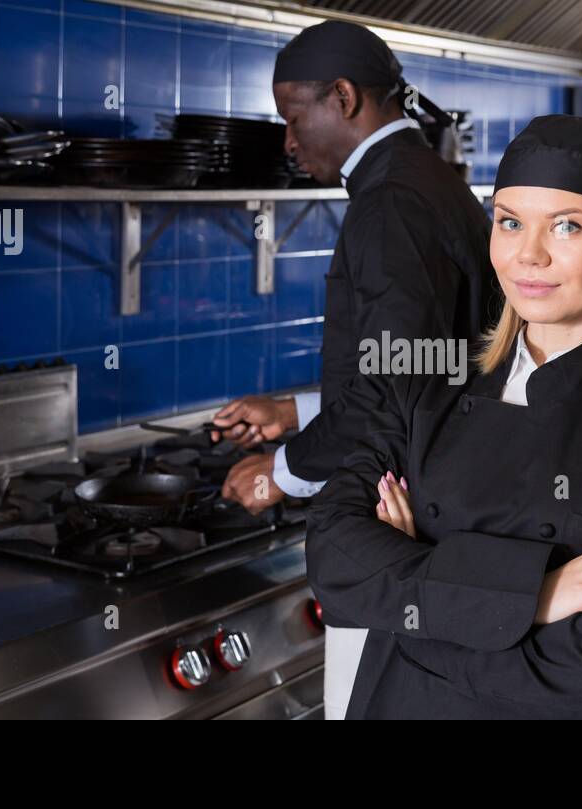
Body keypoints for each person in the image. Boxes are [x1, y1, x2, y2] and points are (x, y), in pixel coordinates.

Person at [305, 115, 582, 719]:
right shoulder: (427, 387)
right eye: (510, 222)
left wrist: (412, 612)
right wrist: (540, 593)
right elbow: (332, 557)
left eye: (566, 225)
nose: (528, 255)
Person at [210, 20, 497, 719]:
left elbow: (394, 388)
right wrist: (298, 411)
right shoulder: (425, 179)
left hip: (400, 526)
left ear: (342, 97)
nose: (287, 138)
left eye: (291, 116)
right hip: (435, 506)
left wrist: (281, 471)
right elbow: (415, 361)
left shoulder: (390, 202)